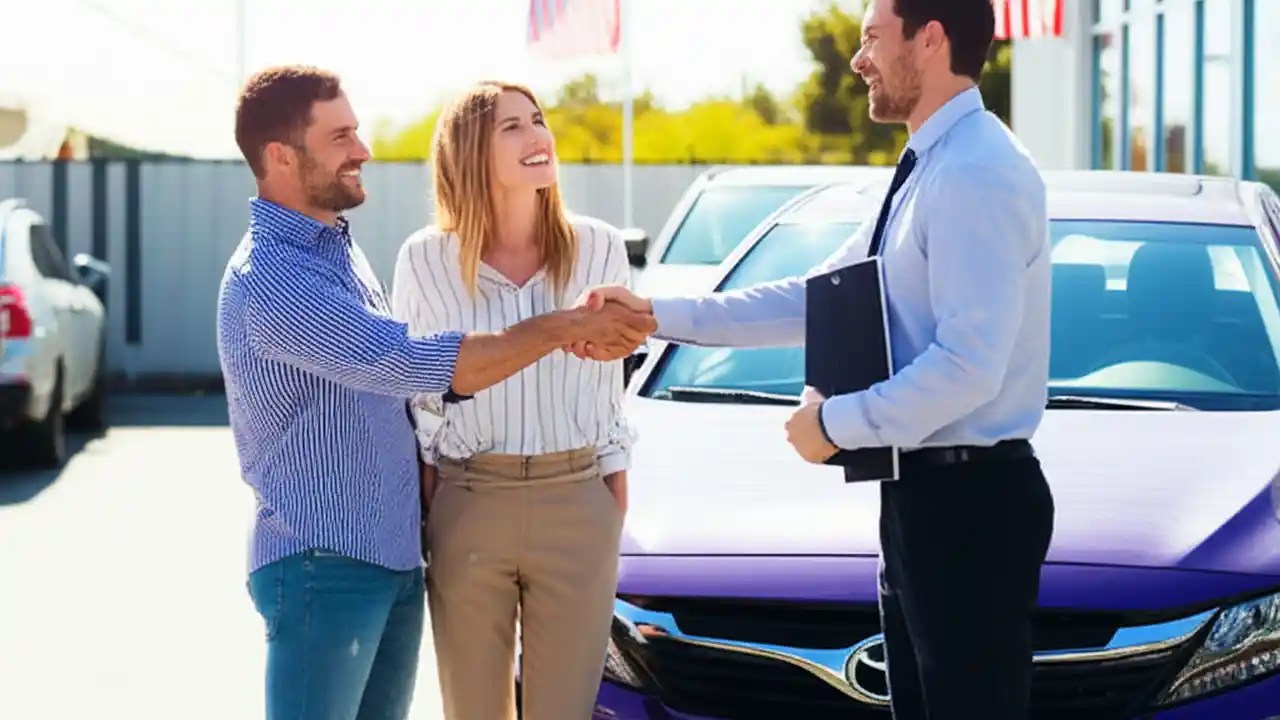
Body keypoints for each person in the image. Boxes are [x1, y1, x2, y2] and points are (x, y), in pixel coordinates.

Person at [574, 1, 1055, 717]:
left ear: (929, 40)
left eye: (871, 39)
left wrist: (836, 423)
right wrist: (655, 317)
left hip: (968, 506)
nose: (858, 61)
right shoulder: (933, 165)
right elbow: (819, 297)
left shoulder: (976, 173)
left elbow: (968, 365)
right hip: (927, 499)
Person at [215, 65, 654, 720]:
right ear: (280, 155)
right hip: (325, 563)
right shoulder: (277, 279)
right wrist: (567, 325)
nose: (363, 150)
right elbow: (417, 367)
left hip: (388, 557)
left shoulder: (332, 249)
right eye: (340, 137)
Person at [388, 80, 633, 720]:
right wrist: (440, 495)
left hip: (577, 499)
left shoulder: (601, 247)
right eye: (513, 127)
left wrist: (611, 489)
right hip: (471, 502)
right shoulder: (425, 259)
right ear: (471, 150)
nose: (538, 135)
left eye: (539, 120)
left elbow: (611, 383)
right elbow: (421, 391)